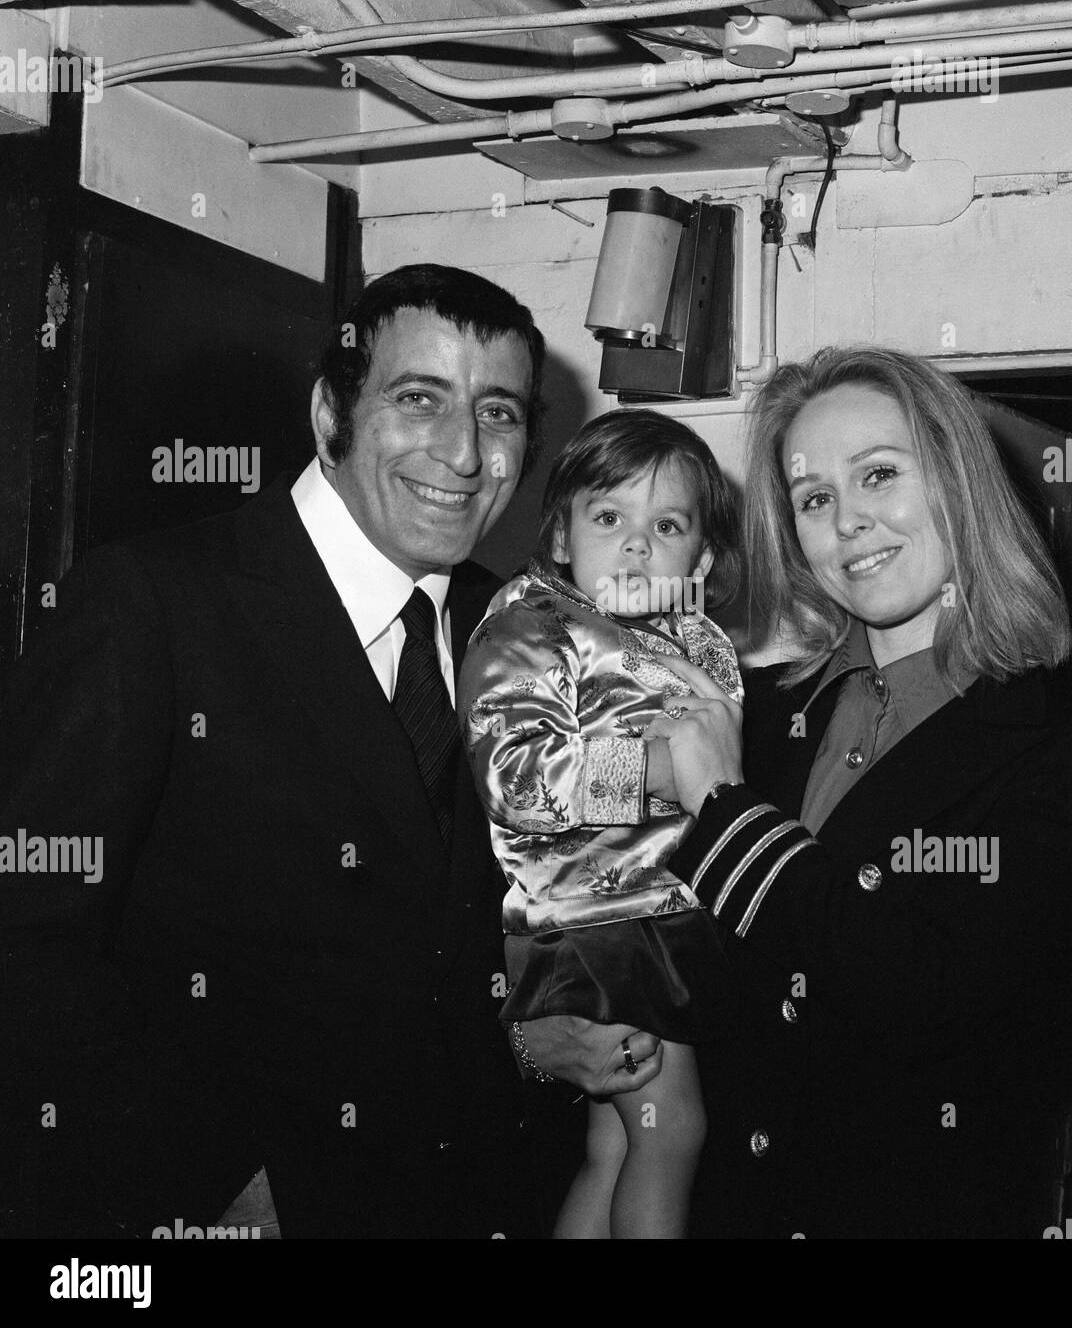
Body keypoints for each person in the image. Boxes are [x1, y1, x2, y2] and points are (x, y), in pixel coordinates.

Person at [0, 264, 659, 1240]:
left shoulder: (523, 633)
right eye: (419, 399)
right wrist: (219, 1184)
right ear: (329, 412)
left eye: (499, 413)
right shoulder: (153, 604)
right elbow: (26, 941)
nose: (464, 453)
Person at [643, 346, 1072, 1238]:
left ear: (957, 483)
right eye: (816, 499)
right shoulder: (763, 707)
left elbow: (926, 987)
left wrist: (722, 810)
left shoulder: (1067, 744)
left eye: (879, 475)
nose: (850, 522)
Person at [458, 410, 742, 1238]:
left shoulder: (687, 641)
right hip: (599, 921)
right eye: (608, 517)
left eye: (667, 526)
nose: (636, 545)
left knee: (617, 1145)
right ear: (559, 534)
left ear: (704, 559)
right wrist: (659, 773)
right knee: (675, 1129)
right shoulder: (535, 628)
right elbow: (515, 780)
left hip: (649, 915)